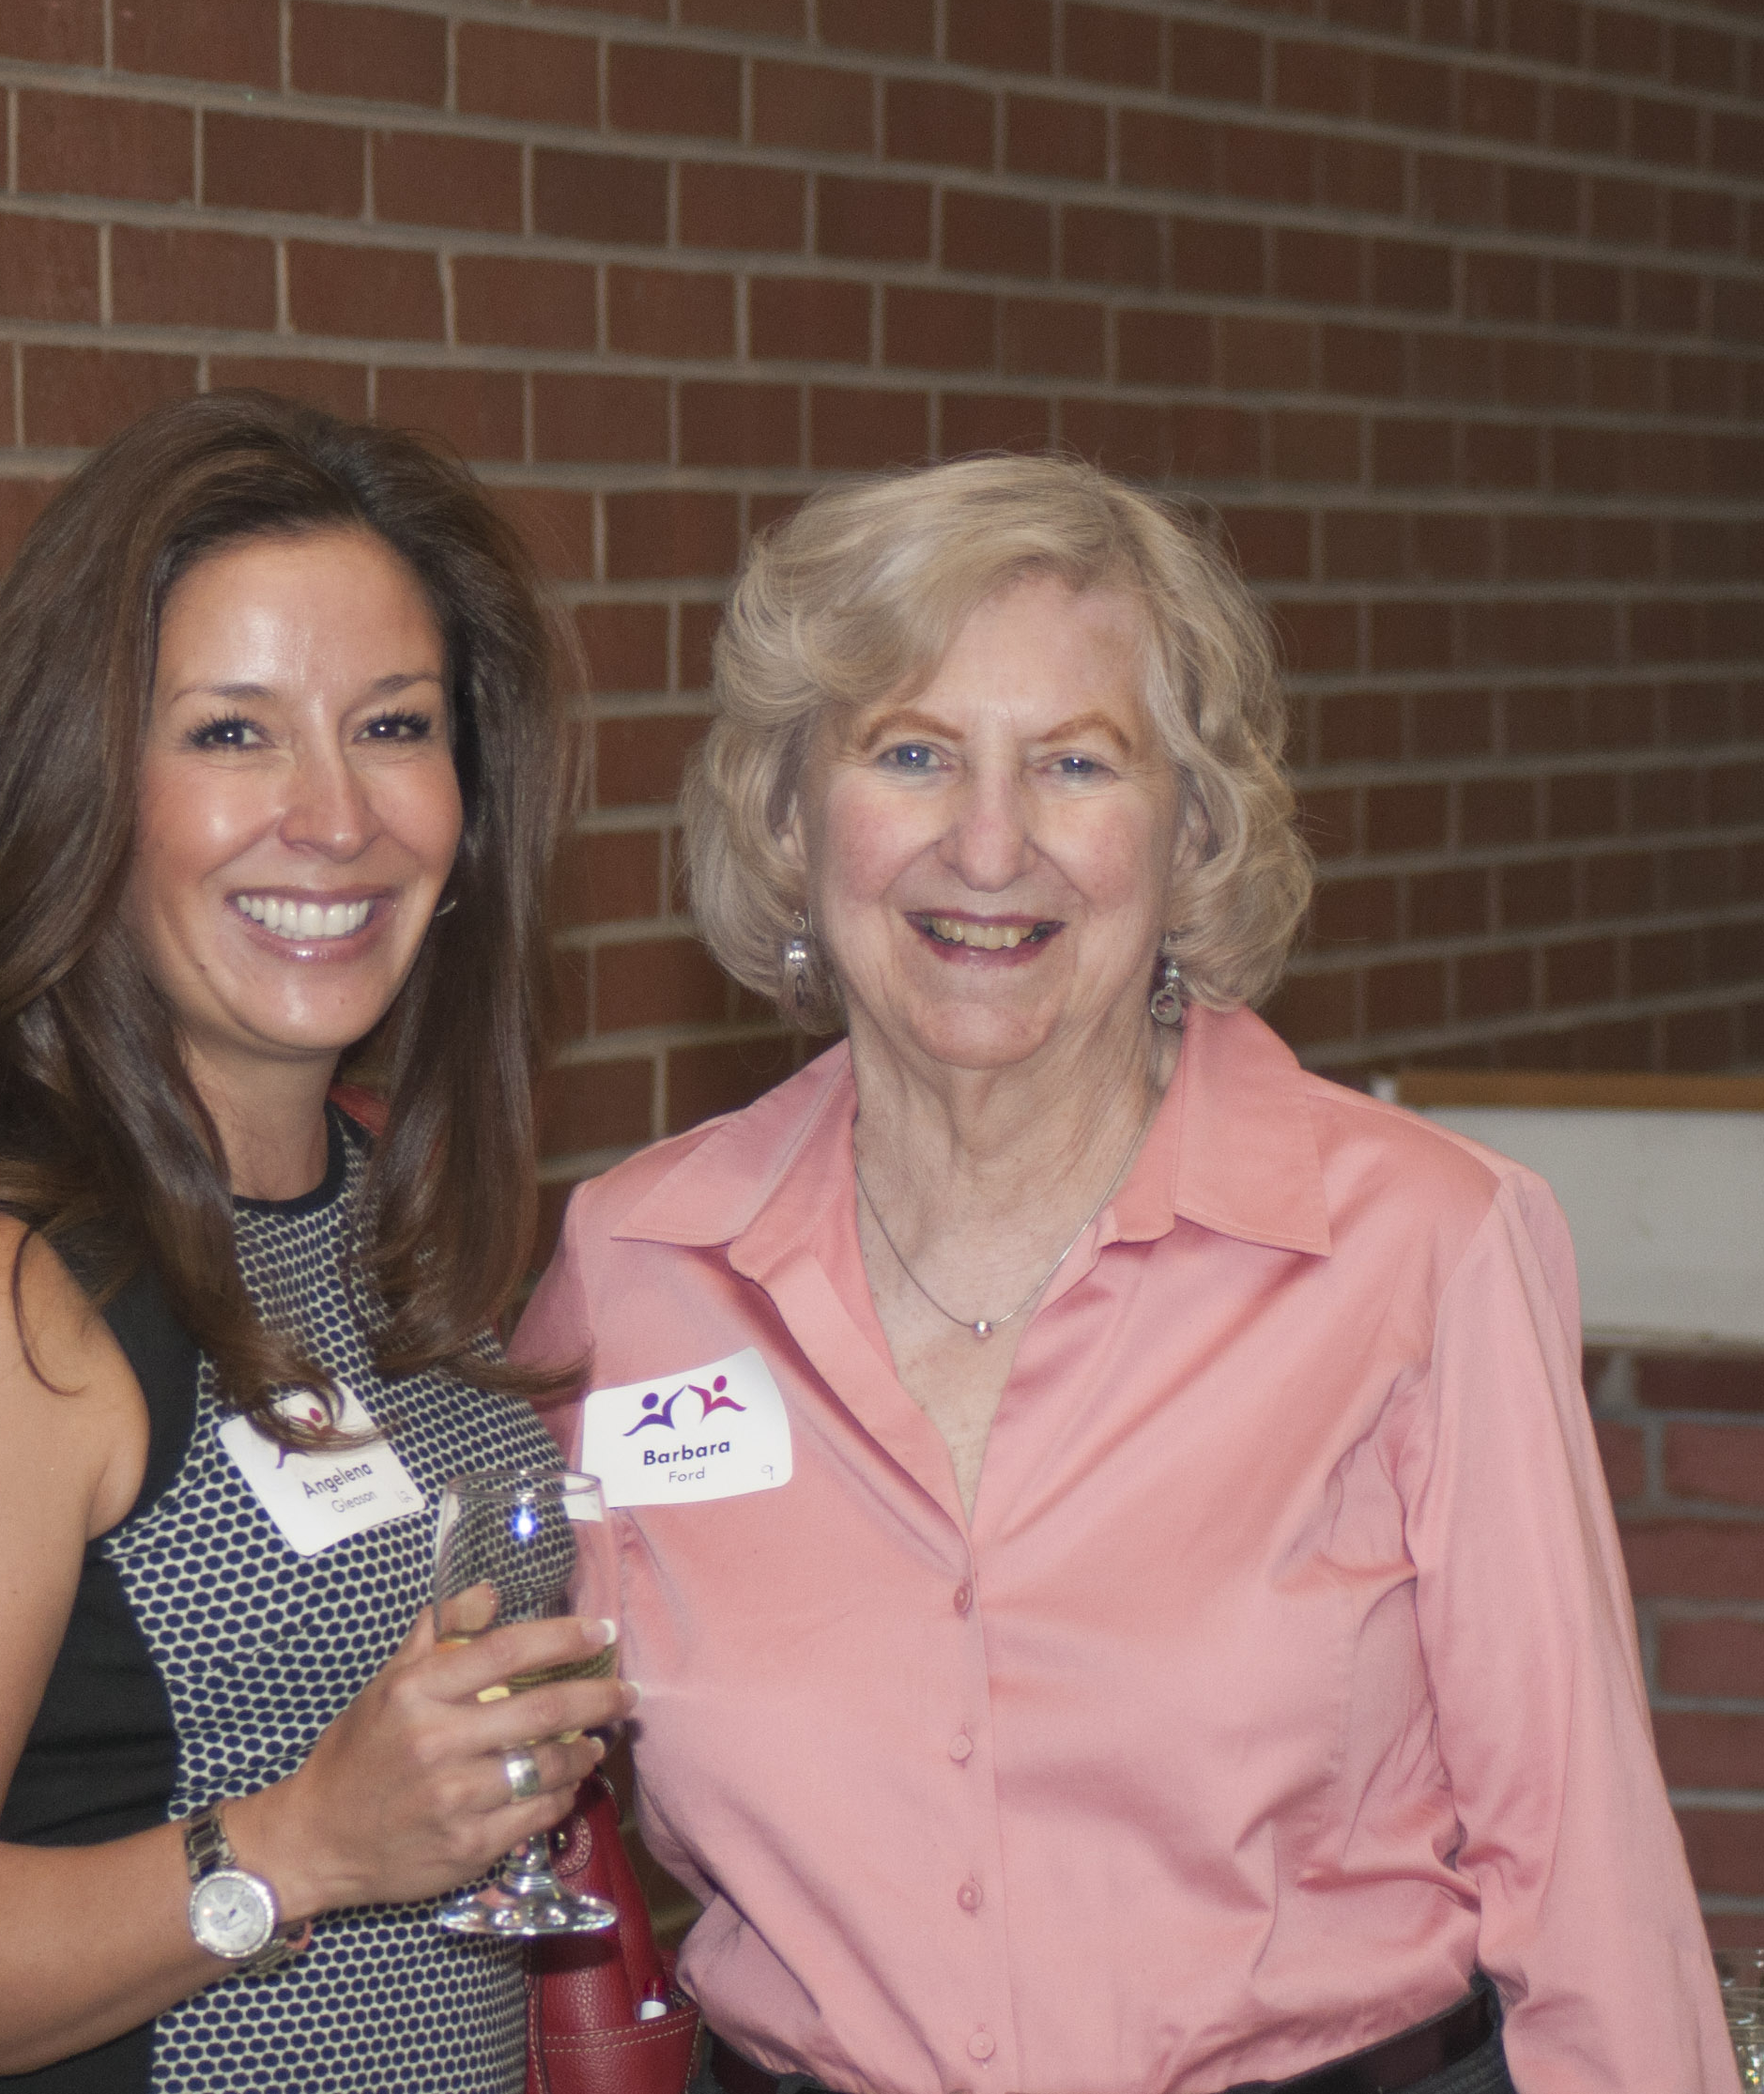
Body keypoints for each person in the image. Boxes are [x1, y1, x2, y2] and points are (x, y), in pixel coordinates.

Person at [516, 453, 1727, 2094]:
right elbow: (498, 1789)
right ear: (792, 819)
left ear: (1188, 828)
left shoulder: (1420, 1245)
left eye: (1075, 762)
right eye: (912, 752)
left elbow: (1588, 1886)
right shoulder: (638, 1265)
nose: (989, 843)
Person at [0, 391, 627, 2093]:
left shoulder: (366, 1214)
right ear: (84, 788)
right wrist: (302, 1844)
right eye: (229, 734)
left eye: (394, 725)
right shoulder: (3, 1291)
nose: (334, 815)